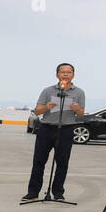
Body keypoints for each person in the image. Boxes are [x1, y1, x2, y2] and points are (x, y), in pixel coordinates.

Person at [22, 63, 85, 204]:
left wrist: (76, 108)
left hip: (66, 130)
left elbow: (81, 114)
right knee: (39, 161)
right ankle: (33, 192)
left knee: (62, 163)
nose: (66, 74)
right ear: (57, 75)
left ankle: (58, 193)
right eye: (62, 72)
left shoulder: (79, 92)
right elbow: (37, 111)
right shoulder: (47, 90)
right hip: (47, 128)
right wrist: (47, 106)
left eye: (69, 72)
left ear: (73, 75)